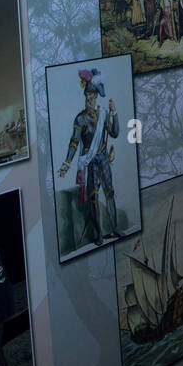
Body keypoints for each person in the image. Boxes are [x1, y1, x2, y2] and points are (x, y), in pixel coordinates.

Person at [58, 68, 122, 247]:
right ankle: (99, 234)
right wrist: (66, 164)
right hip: (91, 163)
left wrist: (114, 113)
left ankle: (115, 228)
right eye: (87, 93)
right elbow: (74, 143)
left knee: (110, 193)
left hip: (103, 160)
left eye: (92, 93)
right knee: (94, 198)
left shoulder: (103, 114)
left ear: (96, 95)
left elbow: (115, 133)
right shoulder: (80, 119)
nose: (89, 97)